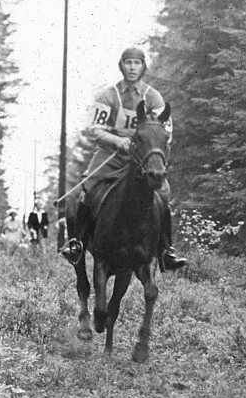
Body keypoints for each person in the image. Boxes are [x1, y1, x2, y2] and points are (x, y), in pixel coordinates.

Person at [61, 47, 188, 271]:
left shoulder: (153, 96)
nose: (132, 68)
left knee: (164, 193)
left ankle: (167, 250)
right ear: (122, 66)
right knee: (87, 188)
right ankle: (77, 242)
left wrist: (148, 147)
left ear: (143, 67)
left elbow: (165, 132)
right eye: (128, 63)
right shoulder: (108, 95)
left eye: (136, 63)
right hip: (110, 154)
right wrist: (117, 141)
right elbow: (94, 128)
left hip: (141, 158)